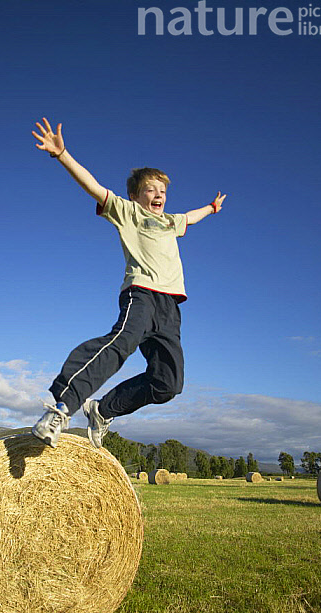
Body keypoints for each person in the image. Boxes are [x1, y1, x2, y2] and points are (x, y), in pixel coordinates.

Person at [31, 117, 226, 449]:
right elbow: (93, 186)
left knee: (168, 383)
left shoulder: (170, 222)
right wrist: (63, 155)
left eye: (163, 190)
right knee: (122, 343)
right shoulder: (128, 212)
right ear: (136, 195)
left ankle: (103, 410)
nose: (158, 194)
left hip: (170, 306)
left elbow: (190, 217)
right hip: (141, 294)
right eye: (151, 189)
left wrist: (211, 207)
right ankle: (61, 407)